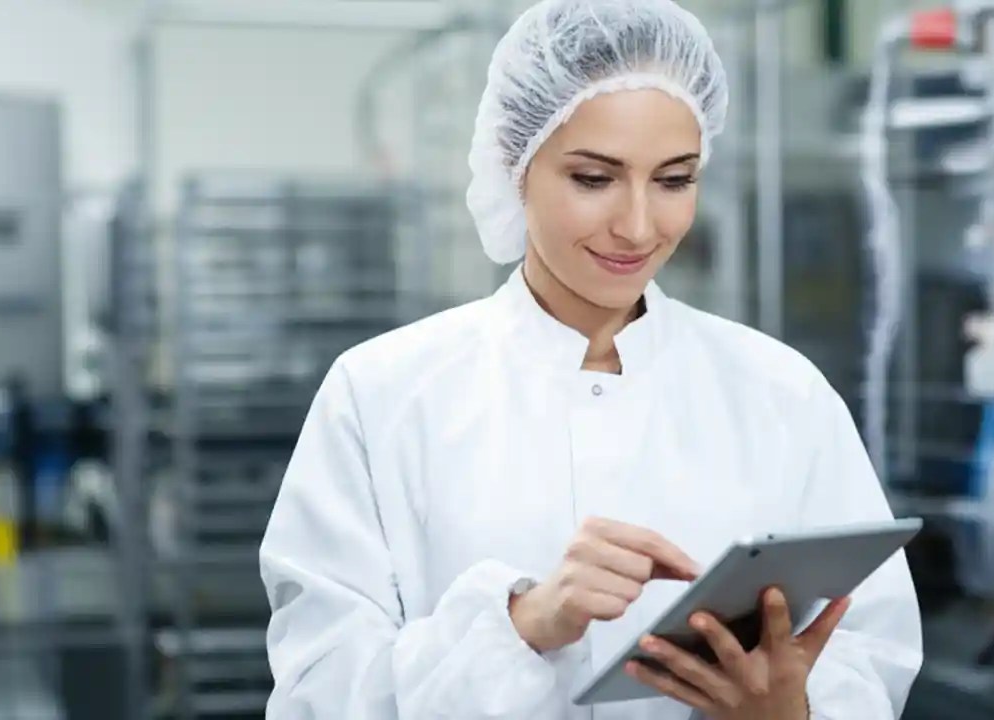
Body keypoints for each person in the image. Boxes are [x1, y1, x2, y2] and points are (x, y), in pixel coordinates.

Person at [258, 0, 923, 717]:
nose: (638, 225)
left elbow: (868, 646)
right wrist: (520, 627)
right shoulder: (383, 394)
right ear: (515, 166)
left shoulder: (781, 392)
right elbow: (320, 689)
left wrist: (790, 711)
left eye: (674, 180)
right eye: (593, 178)